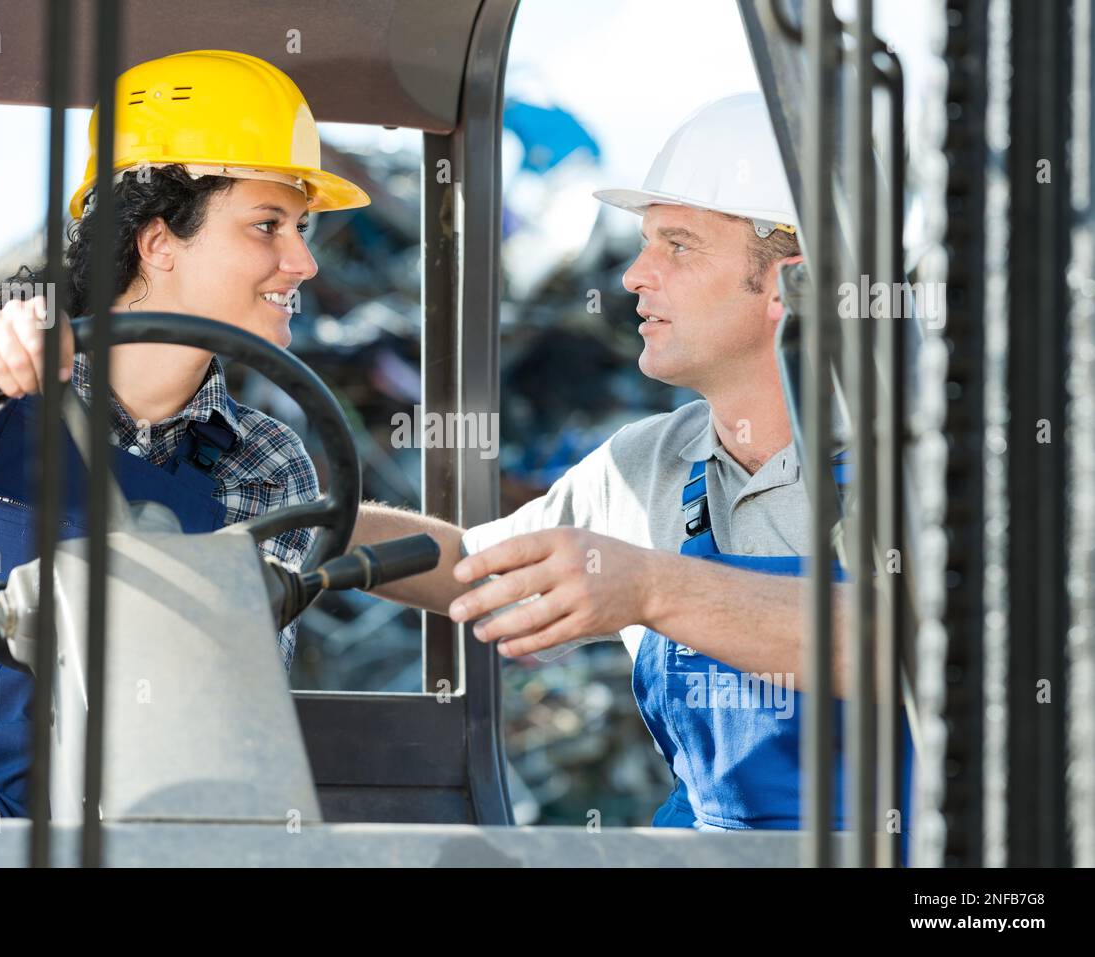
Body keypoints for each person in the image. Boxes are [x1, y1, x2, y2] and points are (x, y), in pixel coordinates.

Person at [353, 91, 914, 839]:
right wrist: (299, 525)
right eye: (646, 241)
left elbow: (919, 650)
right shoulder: (644, 466)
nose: (632, 276)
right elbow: (475, 565)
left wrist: (653, 588)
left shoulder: (941, 463)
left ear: (791, 282)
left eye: (678, 245)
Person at [0, 50, 369, 821]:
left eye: (301, 228)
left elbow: (228, 716)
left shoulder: (268, 465)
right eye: (268, 225)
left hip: (136, 810)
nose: (302, 261)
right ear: (157, 241)